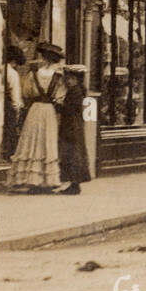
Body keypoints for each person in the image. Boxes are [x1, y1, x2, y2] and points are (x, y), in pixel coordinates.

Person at [9, 42, 66, 192]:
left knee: (32, 140)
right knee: (48, 141)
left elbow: (27, 92)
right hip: (49, 111)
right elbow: (60, 97)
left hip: (35, 110)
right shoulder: (59, 77)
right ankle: (47, 179)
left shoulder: (33, 74)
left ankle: (28, 178)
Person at [56, 64, 91, 195]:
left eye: (72, 79)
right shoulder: (80, 90)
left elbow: (69, 109)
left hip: (71, 126)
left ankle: (74, 184)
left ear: (77, 79)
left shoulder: (75, 91)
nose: (69, 81)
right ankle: (73, 184)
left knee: (71, 155)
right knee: (74, 154)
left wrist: (59, 106)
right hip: (75, 126)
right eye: (68, 78)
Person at [1, 44, 26, 161]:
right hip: (8, 105)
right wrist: (18, 109)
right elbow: (15, 95)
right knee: (9, 132)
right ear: (14, 61)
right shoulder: (12, 74)